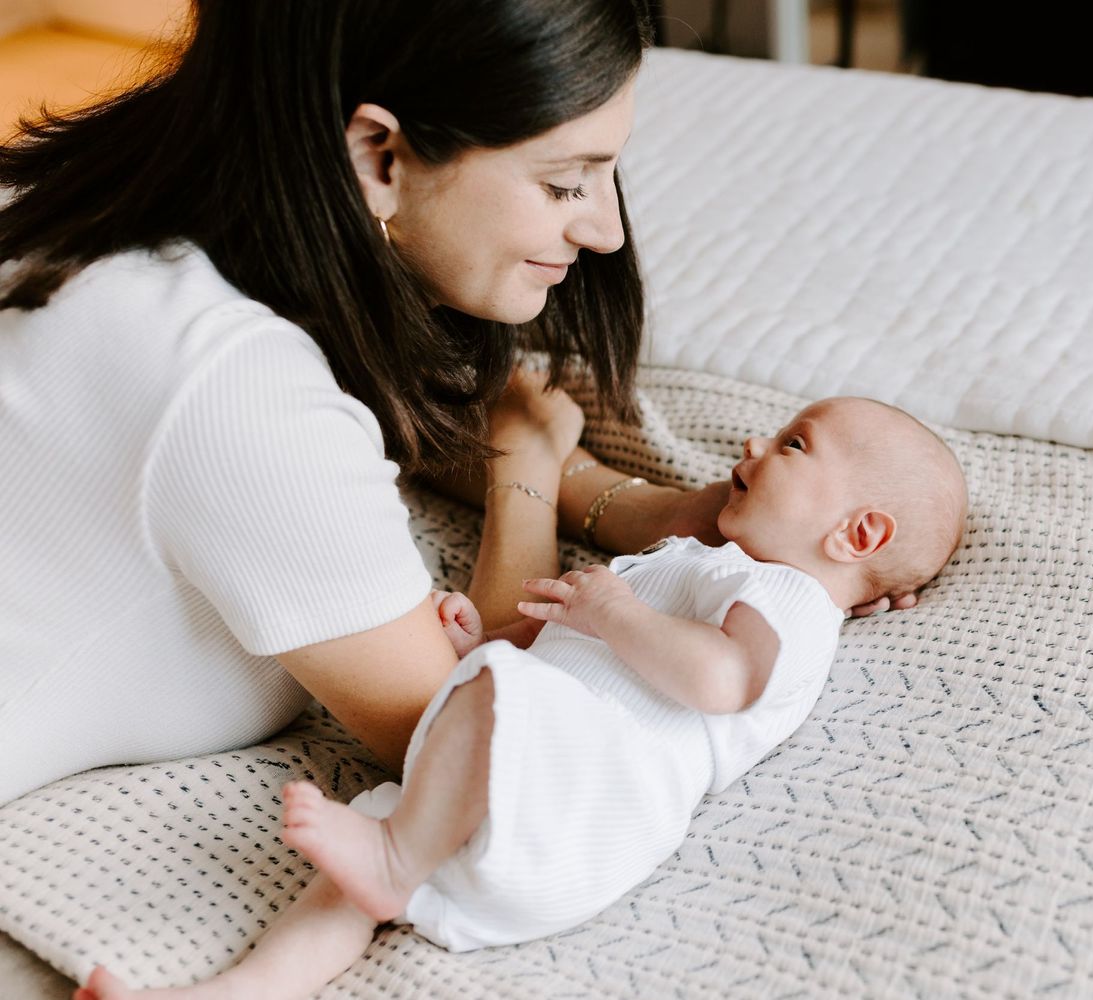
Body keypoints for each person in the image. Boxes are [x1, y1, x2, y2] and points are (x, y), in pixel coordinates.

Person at [1, 0, 919, 807]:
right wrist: (524, 467)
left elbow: (425, 412)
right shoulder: (230, 387)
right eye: (565, 182)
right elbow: (480, 747)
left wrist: (673, 515)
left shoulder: (152, 212)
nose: (605, 229)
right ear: (379, 155)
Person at [74, 397, 968, 1000]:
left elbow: (721, 681)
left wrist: (611, 612)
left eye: (793, 446)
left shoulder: (789, 601)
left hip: (593, 802)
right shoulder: (710, 567)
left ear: (859, 533)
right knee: (341, 890)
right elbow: (566, 661)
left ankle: (394, 856)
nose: (752, 446)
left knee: (457, 760)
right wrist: (481, 648)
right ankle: (238, 992)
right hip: (522, 792)